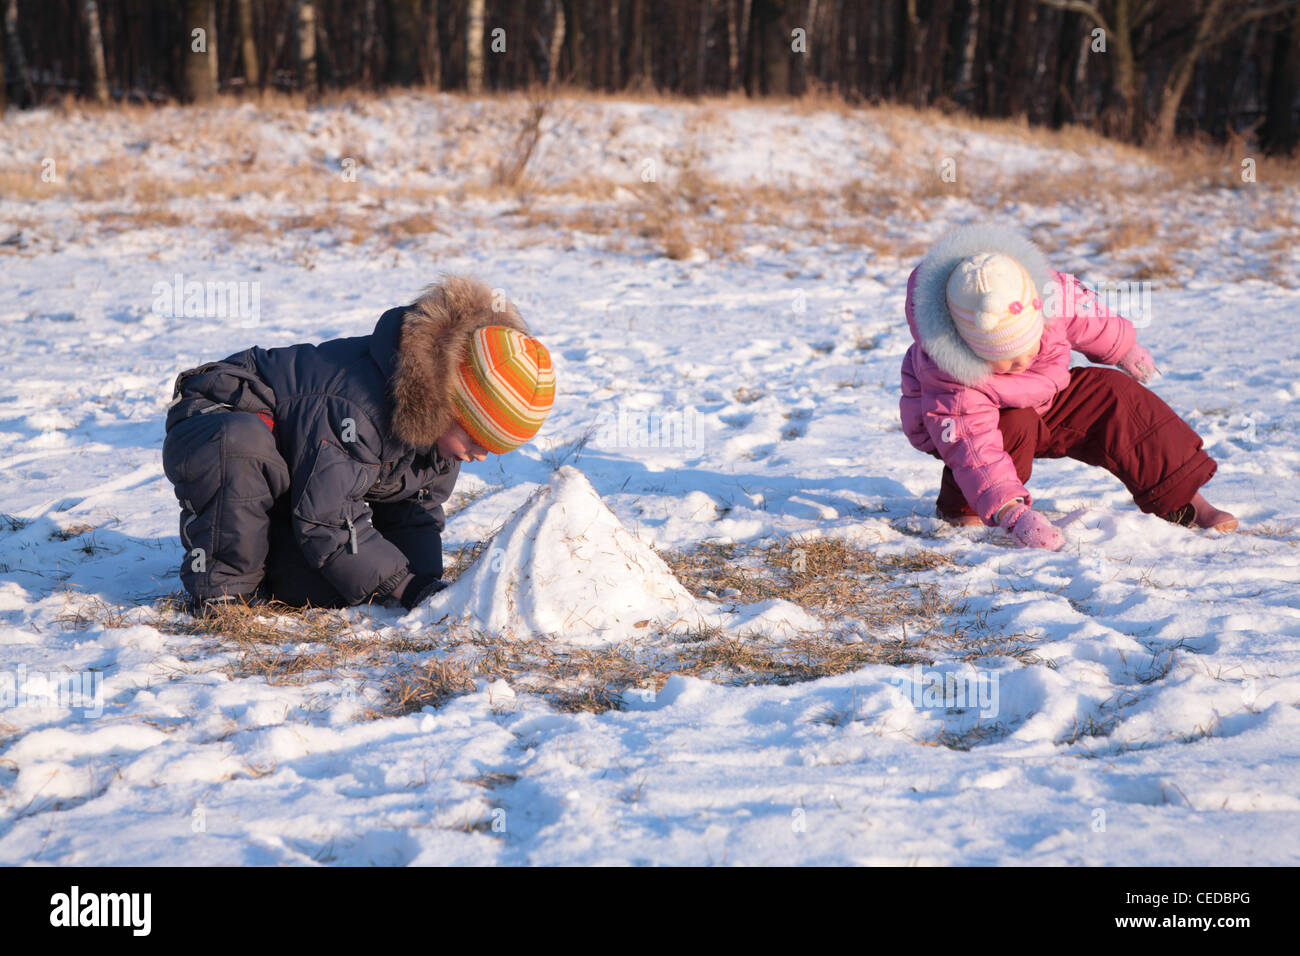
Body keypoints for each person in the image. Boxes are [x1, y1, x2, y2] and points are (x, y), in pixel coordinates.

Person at [161, 276, 555, 613]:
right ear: (450, 406)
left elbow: (415, 510)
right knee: (240, 448)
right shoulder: (358, 409)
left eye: (494, 448)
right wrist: (403, 585)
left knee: (330, 588)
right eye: (476, 437)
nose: (480, 454)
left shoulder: (439, 435)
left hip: (300, 474)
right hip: (219, 417)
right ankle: (223, 595)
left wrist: (422, 585)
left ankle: (265, 563)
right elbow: (328, 520)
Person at [899, 224, 1235, 550]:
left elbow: (1090, 318)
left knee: (1112, 393)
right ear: (970, 348)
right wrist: (1013, 515)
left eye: (1026, 348)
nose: (1020, 363)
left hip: (1046, 398)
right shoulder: (952, 379)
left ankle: (1182, 498)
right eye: (1006, 358)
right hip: (964, 428)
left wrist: (1123, 349)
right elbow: (973, 448)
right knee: (1013, 422)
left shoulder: (1049, 295)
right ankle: (966, 509)